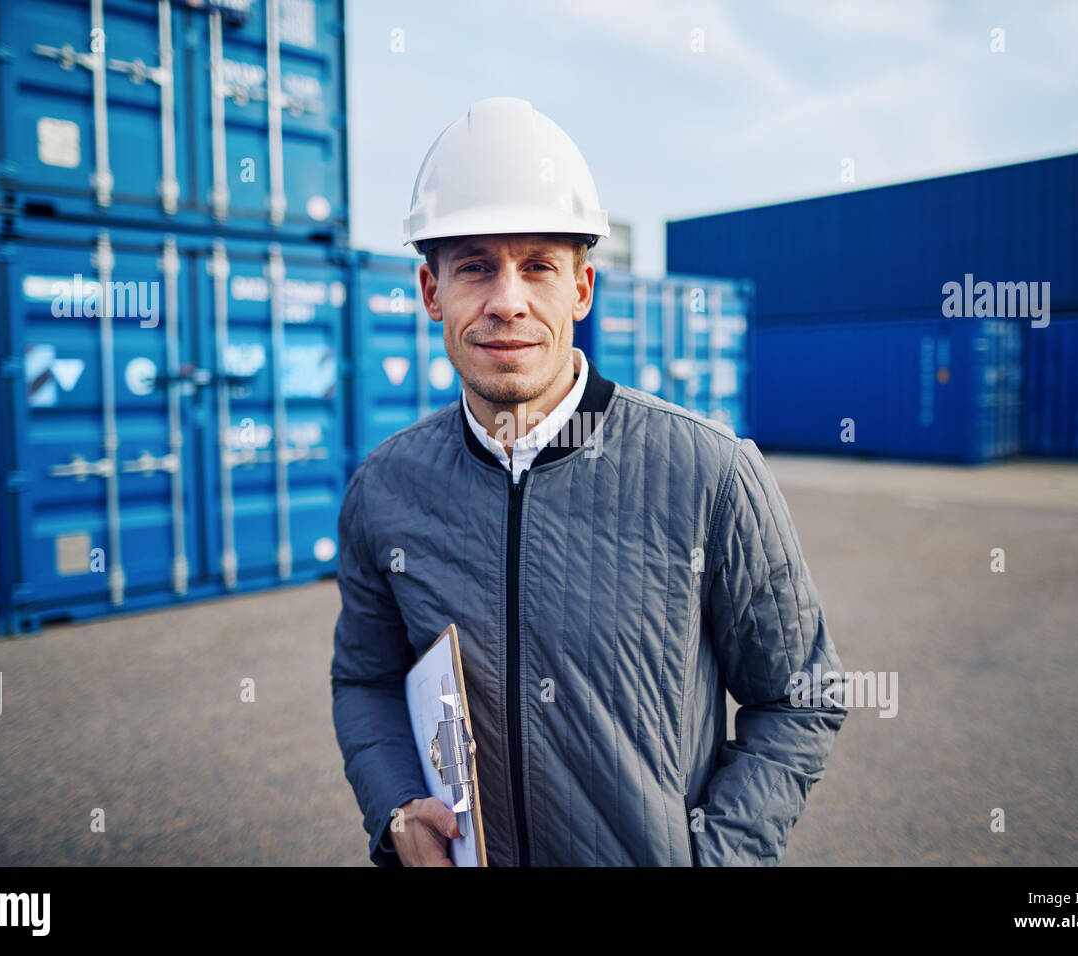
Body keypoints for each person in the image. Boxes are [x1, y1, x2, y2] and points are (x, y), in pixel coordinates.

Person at [331, 97, 848, 866]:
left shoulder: (710, 473)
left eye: (538, 265)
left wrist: (720, 857)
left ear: (581, 288)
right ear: (431, 291)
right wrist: (399, 807)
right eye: (475, 265)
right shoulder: (384, 490)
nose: (507, 300)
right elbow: (366, 682)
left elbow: (800, 695)